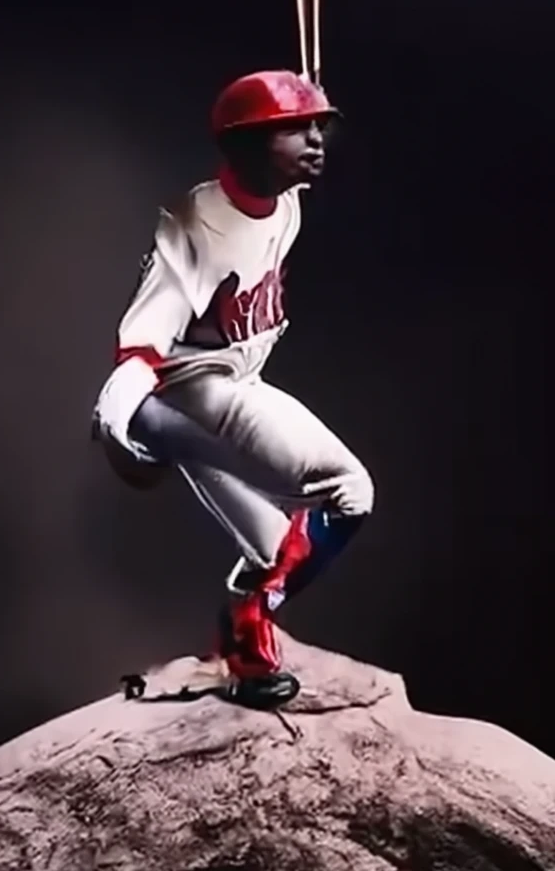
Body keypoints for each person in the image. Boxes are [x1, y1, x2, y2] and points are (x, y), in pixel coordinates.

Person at [93, 70, 374, 704]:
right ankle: (249, 629)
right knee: (349, 492)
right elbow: (139, 347)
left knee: (277, 549)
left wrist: (302, 103)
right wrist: (116, 426)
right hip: (185, 392)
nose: (316, 141)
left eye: (317, 128)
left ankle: (240, 652)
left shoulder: (288, 202)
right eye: (294, 131)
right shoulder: (192, 226)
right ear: (244, 146)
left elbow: (290, 154)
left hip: (225, 387)